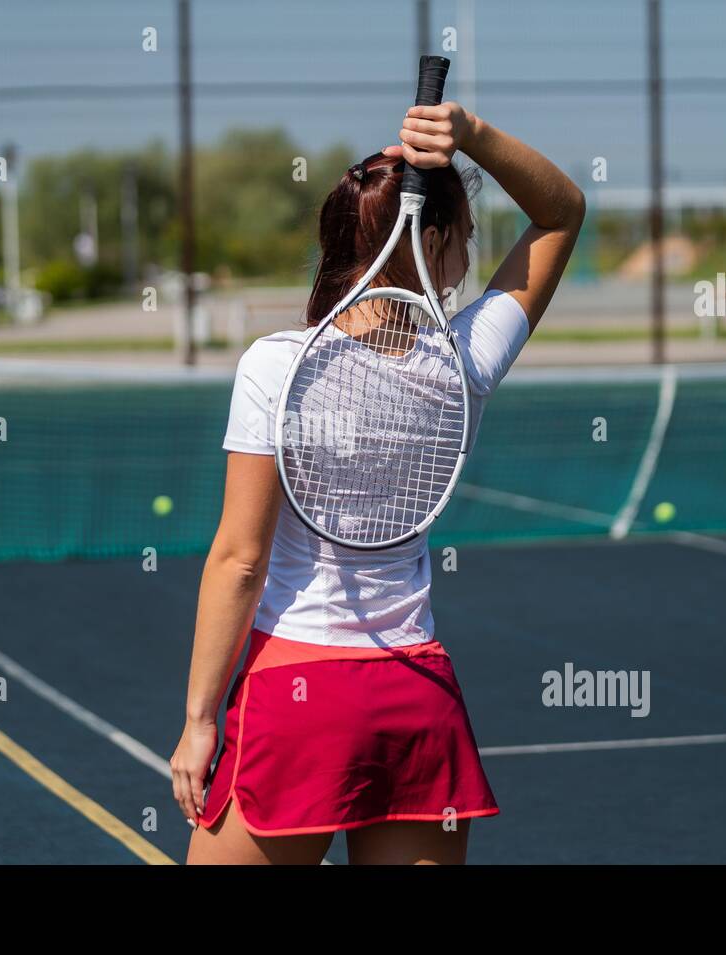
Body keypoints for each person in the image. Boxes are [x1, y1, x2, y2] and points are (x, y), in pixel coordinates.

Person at [170, 100, 585, 865]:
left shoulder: (276, 364)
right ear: (427, 241)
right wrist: (474, 135)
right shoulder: (464, 366)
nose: (464, 263)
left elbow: (239, 560)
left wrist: (200, 718)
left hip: (297, 694)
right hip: (413, 698)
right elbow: (561, 214)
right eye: (462, 242)